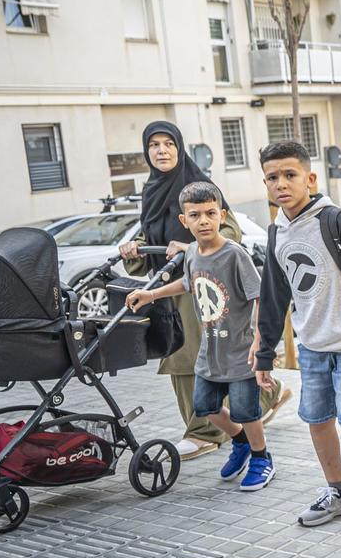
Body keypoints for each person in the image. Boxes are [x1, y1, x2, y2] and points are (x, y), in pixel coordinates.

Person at [250, 140, 341, 526]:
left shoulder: (334, 220)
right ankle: (339, 491)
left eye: (290, 174)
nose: (281, 183)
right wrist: (264, 352)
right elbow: (273, 295)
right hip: (312, 346)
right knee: (317, 421)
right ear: (265, 184)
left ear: (310, 178)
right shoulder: (276, 231)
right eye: (272, 177)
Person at [119, 121, 288, 461]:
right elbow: (149, 234)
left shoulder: (197, 186)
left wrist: (190, 245)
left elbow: (229, 230)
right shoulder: (152, 191)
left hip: (205, 289)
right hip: (169, 289)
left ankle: (203, 432)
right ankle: (270, 397)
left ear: (180, 149)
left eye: (169, 143)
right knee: (183, 354)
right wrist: (134, 247)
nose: (162, 151)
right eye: (154, 145)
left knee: (193, 357)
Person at [127, 182, 276, 491]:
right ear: (185, 221)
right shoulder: (193, 252)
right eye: (195, 215)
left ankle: (262, 457)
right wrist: (150, 294)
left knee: (246, 411)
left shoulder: (234, 254)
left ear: (222, 215)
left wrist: (261, 343)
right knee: (205, 406)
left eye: (210, 213)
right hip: (210, 351)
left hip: (240, 352)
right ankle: (241, 443)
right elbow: (187, 282)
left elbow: (259, 296)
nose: (204, 221)